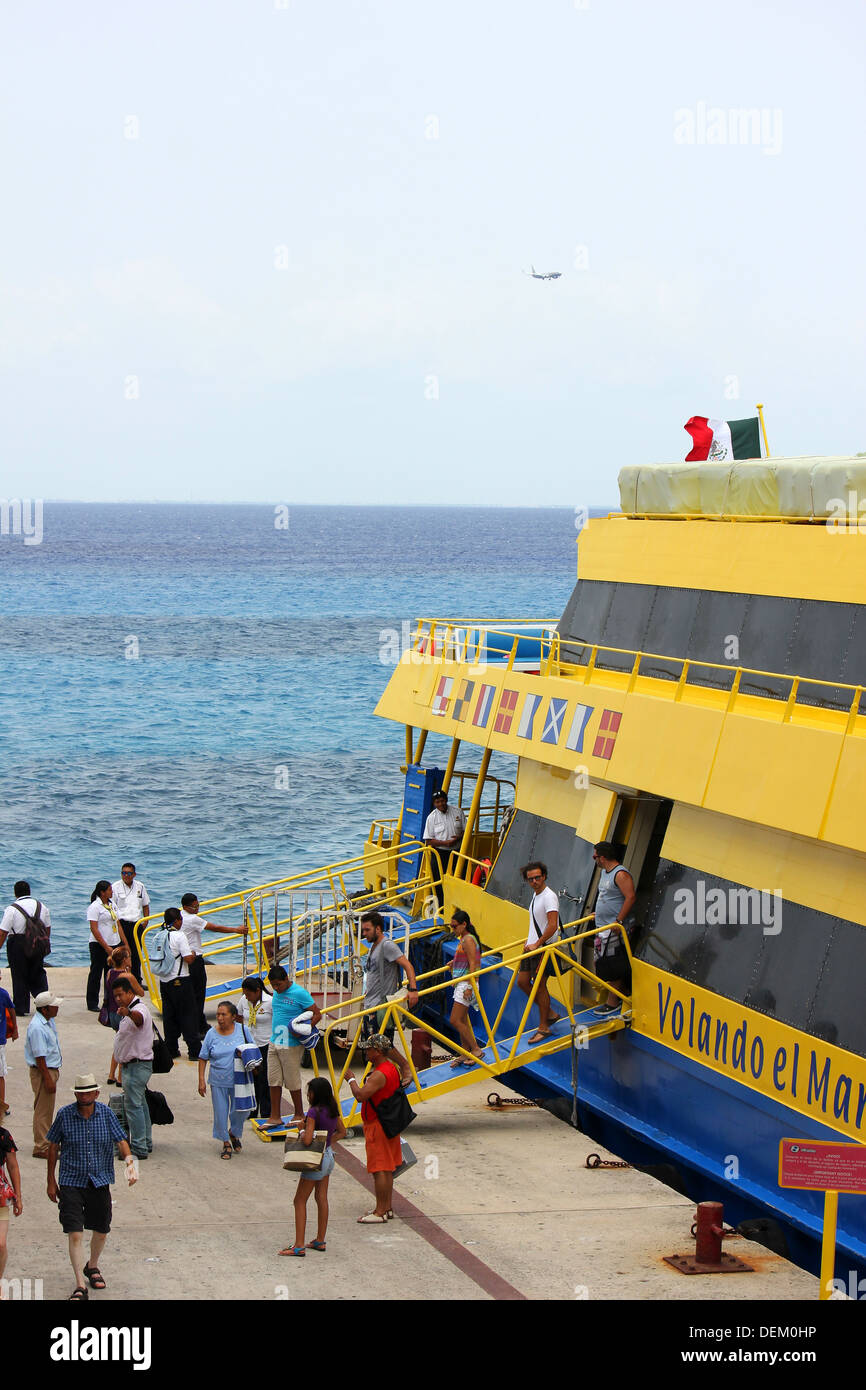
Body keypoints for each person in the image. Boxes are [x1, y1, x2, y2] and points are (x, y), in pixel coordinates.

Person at [46, 1073, 137, 1301]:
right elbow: (53, 1147)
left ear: (96, 1094)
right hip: (71, 1181)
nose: (84, 1096)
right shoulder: (65, 1115)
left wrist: (130, 1164)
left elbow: (121, 1140)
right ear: (76, 1094)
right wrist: (50, 1180)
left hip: (99, 1180)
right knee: (75, 1233)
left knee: (102, 1229)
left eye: (89, 1092)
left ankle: (92, 1266)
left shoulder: (106, 1114)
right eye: (81, 1092)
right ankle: (80, 1285)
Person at [340, 911, 418, 1086]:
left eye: (367, 930)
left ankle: (406, 1067)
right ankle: (385, 1075)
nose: (364, 934)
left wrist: (413, 989)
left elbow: (407, 965)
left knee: (382, 1044)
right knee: (372, 1045)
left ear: (378, 928)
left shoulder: (387, 945)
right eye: (363, 930)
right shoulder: (373, 947)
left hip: (382, 1005)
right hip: (371, 1003)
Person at [278, 1076, 347, 1256]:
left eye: (309, 1092)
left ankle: (298, 1245)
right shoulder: (332, 1108)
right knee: (321, 1197)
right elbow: (343, 1131)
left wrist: (301, 1128)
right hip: (329, 1156)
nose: (307, 1095)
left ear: (314, 1094)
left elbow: (307, 1140)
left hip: (316, 1160)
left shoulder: (314, 1112)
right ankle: (320, 1240)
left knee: (299, 1200)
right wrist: (325, 1143)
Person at [346, 1034, 402, 1223]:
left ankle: (380, 1212)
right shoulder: (392, 1069)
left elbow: (361, 1096)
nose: (366, 1052)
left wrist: (351, 1080)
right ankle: (387, 1207)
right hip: (389, 1122)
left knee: (380, 1169)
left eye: (368, 1049)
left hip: (377, 1124)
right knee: (387, 1168)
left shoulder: (379, 1074)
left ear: (377, 1051)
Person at [181, 892, 249, 1037]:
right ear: (186, 907)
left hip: (183, 959)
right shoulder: (192, 919)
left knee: (191, 995)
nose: (197, 908)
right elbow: (214, 927)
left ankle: (199, 1023)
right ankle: (197, 1027)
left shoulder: (179, 917)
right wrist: (236, 930)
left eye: (198, 905)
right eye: (195, 906)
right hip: (195, 959)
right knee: (198, 995)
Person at [198, 1000, 256, 1158]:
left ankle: (234, 1132)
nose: (220, 1018)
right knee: (220, 1113)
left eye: (224, 1014)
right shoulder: (211, 1034)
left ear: (233, 1017)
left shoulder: (243, 1031)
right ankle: (225, 1142)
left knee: (242, 1111)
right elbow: (203, 1057)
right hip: (218, 1080)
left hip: (240, 1080)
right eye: (218, 1014)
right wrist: (201, 1080)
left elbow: (253, 1050)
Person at [266, 966, 322, 1126]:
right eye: (273, 985)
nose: (276, 988)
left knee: (292, 1080)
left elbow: (317, 1014)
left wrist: (305, 1029)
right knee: (273, 1080)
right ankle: (275, 1116)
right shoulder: (277, 992)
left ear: (286, 980)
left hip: (291, 1044)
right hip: (275, 1041)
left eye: (278, 984)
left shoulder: (299, 993)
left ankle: (299, 1113)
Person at [517, 861, 563, 1045]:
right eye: (531, 879)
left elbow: (553, 925)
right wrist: (529, 942)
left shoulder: (549, 896)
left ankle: (544, 1027)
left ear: (544, 876)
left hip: (543, 948)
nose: (534, 881)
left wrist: (537, 943)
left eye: (537, 877)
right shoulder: (537, 896)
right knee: (522, 982)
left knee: (540, 986)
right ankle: (550, 1013)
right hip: (532, 947)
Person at [591, 842, 637, 1016]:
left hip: (614, 928)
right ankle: (622, 992)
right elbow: (607, 896)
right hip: (602, 926)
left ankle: (612, 1002)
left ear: (603, 857)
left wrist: (619, 920)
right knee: (602, 962)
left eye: (595, 856)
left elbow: (630, 897)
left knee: (613, 964)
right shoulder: (604, 873)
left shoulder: (621, 874)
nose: (594, 859)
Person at [111, 978, 153, 1161]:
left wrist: (128, 1013)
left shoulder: (139, 1009)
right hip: (133, 1065)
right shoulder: (130, 1010)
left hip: (137, 1066)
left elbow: (139, 1019)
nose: (118, 999)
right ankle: (146, 1142)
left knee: (133, 1106)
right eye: (115, 996)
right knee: (140, 1104)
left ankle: (138, 1147)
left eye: (121, 995)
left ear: (130, 993)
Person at [0, 881, 51, 1016]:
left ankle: (21, 1007)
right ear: (29, 891)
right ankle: (44, 1004)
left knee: (19, 975)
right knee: (38, 973)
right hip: (37, 942)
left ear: (15, 893)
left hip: (18, 943)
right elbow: (47, 928)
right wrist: (43, 944)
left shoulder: (12, 909)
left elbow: (3, 932)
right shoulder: (42, 906)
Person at [157, 907, 200, 1061]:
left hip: (164, 981)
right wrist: (193, 954)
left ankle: (171, 1048)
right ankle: (194, 1050)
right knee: (188, 1015)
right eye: (180, 919)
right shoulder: (179, 936)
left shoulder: (159, 934)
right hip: (180, 979)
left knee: (169, 1016)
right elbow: (188, 959)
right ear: (176, 921)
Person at [24, 990, 63, 1158]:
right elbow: (40, 1057)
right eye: (54, 1006)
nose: (57, 1008)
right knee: (43, 1110)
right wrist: (48, 1079)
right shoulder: (37, 1028)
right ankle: (41, 1146)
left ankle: (46, 1141)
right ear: (45, 1009)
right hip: (44, 1072)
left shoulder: (47, 1021)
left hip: (49, 1070)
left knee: (46, 1109)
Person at [446, 909, 485, 1067]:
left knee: (455, 1019)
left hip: (466, 984)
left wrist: (470, 985)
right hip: (462, 982)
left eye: (455, 927)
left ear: (464, 924)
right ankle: (465, 1051)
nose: (452, 929)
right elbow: (468, 960)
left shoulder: (468, 939)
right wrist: (453, 963)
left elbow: (473, 963)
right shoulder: (464, 939)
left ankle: (476, 1049)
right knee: (461, 1019)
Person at [104, 944, 145, 1087]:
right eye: (129, 957)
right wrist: (131, 973)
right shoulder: (127, 976)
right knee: (125, 1044)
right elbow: (141, 992)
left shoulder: (110, 973)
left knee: (118, 1041)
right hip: (123, 1013)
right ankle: (121, 1077)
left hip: (111, 1012)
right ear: (125, 959)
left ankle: (111, 1074)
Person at [86, 882, 126, 1013]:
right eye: (109, 890)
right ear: (102, 892)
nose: (112, 892)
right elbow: (94, 928)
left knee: (111, 974)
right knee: (96, 972)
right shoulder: (95, 907)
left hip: (114, 942)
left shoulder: (112, 904)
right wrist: (106, 946)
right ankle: (92, 1002)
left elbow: (118, 924)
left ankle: (110, 1000)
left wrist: (124, 943)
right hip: (99, 945)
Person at [423, 790, 466, 907]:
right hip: (439, 853)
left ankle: (459, 905)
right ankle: (440, 908)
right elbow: (428, 840)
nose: (440, 804)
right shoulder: (431, 818)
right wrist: (445, 843)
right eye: (437, 802)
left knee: (461, 878)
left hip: (457, 852)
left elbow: (465, 831)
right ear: (434, 804)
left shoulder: (458, 812)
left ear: (446, 800)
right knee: (438, 881)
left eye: (442, 800)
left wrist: (457, 839)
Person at [238, 976, 273, 1118]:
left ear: (258, 991)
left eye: (249, 994)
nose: (247, 997)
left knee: (264, 1080)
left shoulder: (270, 1002)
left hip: (266, 1044)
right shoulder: (244, 1001)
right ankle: (251, 1110)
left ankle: (266, 1112)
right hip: (250, 1045)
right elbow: (239, 1016)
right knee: (251, 1078)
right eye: (245, 994)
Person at [111, 863, 150, 985]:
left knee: (137, 953)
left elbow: (145, 905)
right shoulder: (115, 887)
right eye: (123, 873)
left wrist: (145, 921)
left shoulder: (140, 886)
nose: (126, 876)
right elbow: (112, 908)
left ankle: (137, 980)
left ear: (134, 874)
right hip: (122, 924)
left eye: (128, 873)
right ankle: (123, 979)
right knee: (123, 953)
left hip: (137, 924)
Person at [0, 1122, 22, 1297]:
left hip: (0, 1196)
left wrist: (18, 1197)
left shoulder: (4, 1136)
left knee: (1, 1244)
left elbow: (13, 1166)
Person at [0, 970, 17, 1120]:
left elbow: (12, 1010)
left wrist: (15, 1030)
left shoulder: (3, 994)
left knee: (0, 1075)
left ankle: (2, 1104)